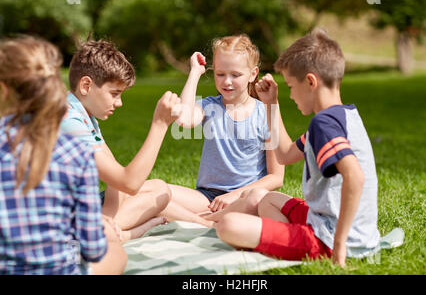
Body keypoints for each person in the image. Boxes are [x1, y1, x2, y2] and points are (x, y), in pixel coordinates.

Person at [215, 28, 380, 267]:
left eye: (291, 86)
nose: (291, 95)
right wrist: (271, 103)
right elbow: (284, 155)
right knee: (266, 199)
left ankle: (294, 243)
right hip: (335, 225)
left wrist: (340, 246)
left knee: (229, 225)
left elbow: (354, 176)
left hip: (329, 239)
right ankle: (286, 239)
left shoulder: (324, 124)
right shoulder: (344, 115)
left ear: (310, 82)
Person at [0, 36, 114, 274]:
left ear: (3, 89)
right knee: (116, 252)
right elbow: (92, 249)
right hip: (64, 268)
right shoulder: (77, 152)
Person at [60, 39, 181, 242]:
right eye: (114, 94)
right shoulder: (68, 121)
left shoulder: (82, 112)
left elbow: (117, 179)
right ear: (86, 85)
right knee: (146, 194)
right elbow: (129, 183)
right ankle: (106, 234)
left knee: (159, 188)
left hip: (75, 208)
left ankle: (110, 229)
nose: (120, 102)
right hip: (53, 219)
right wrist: (160, 124)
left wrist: (109, 213)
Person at [160, 34, 284, 227]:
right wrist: (194, 72)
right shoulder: (209, 106)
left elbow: (276, 177)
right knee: (155, 191)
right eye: (220, 74)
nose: (227, 82)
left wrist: (234, 196)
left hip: (245, 197)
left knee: (257, 199)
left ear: (252, 74)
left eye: (235, 75)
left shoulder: (266, 113)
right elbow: (184, 119)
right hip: (206, 198)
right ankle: (208, 220)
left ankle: (197, 220)